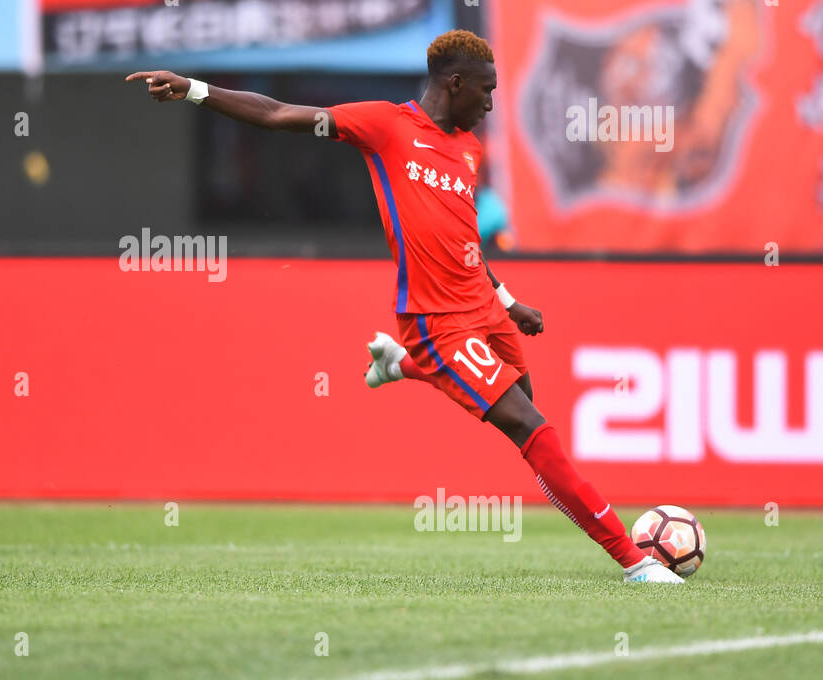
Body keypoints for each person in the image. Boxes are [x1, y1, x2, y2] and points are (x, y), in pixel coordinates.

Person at [125, 29, 684, 583]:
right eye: (486, 91)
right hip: (436, 321)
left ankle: (398, 365)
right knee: (532, 429)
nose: (490, 104)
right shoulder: (386, 126)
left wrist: (507, 301)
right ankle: (633, 560)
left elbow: (462, 235)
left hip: (483, 309)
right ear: (455, 82)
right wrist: (194, 89)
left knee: (528, 412)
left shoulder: (468, 149)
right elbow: (276, 114)